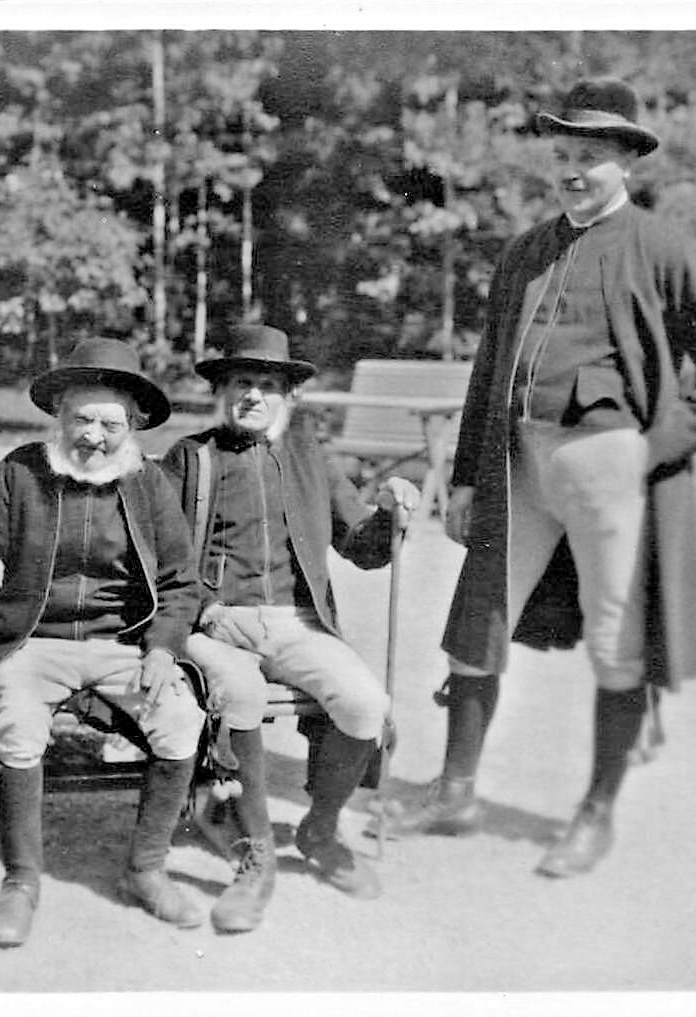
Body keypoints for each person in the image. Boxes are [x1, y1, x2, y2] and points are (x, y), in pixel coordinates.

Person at [374, 78, 696, 877]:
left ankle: (594, 812)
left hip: (610, 466)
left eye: (590, 156)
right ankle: (454, 791)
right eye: (564, 155)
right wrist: (470, 475)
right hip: (518, 464)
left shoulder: (663, 248)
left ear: (628, 165)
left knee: (619, 641)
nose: (574, 170)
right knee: (476, 623)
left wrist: (653, 448)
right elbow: (490, 372)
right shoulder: (525, 250)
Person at [0, 337, 207, 947]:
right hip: (31, 643)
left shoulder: (149, 486)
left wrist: (161, 650)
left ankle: (146, 867)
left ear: (131, 427)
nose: (94, 436)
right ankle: (21, 882)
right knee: (16, 726)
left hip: (122, 646)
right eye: (83, 419)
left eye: (110, 423)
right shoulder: (20, 472)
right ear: (59, 416)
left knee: (181, 718)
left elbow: (182, 582)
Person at [161, 324, 421, 930]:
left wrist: (390, 513)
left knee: (364, 704)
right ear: (220, 392)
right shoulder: (190, 459)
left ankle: (320, 829)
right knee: (244, 694)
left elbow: (363, 546)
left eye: (268, 386)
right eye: (241, 383)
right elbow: (160, 556)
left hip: (297, 622)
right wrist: (200, 609)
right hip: (214, 624)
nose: (254, 396)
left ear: (290, 398)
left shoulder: (310, 459)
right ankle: (258, 860)